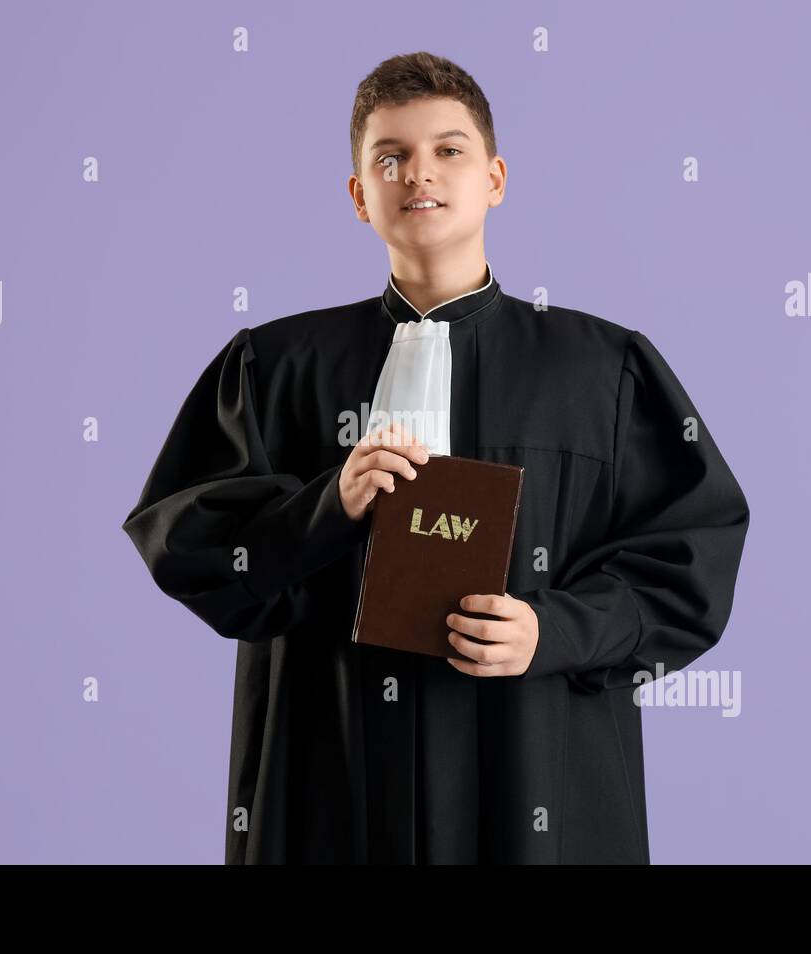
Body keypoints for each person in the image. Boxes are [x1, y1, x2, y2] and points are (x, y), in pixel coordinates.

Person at [121, 51, 750, 864]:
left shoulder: (602, 369)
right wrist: (326, 507)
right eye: (391, 157)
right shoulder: (273, 366)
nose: (420, 173)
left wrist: (552, 629)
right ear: (359, 195)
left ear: (495, 177)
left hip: (534, 779)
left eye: (448, 150)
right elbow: (186, 546)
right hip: (330, 778)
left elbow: (694, 561)